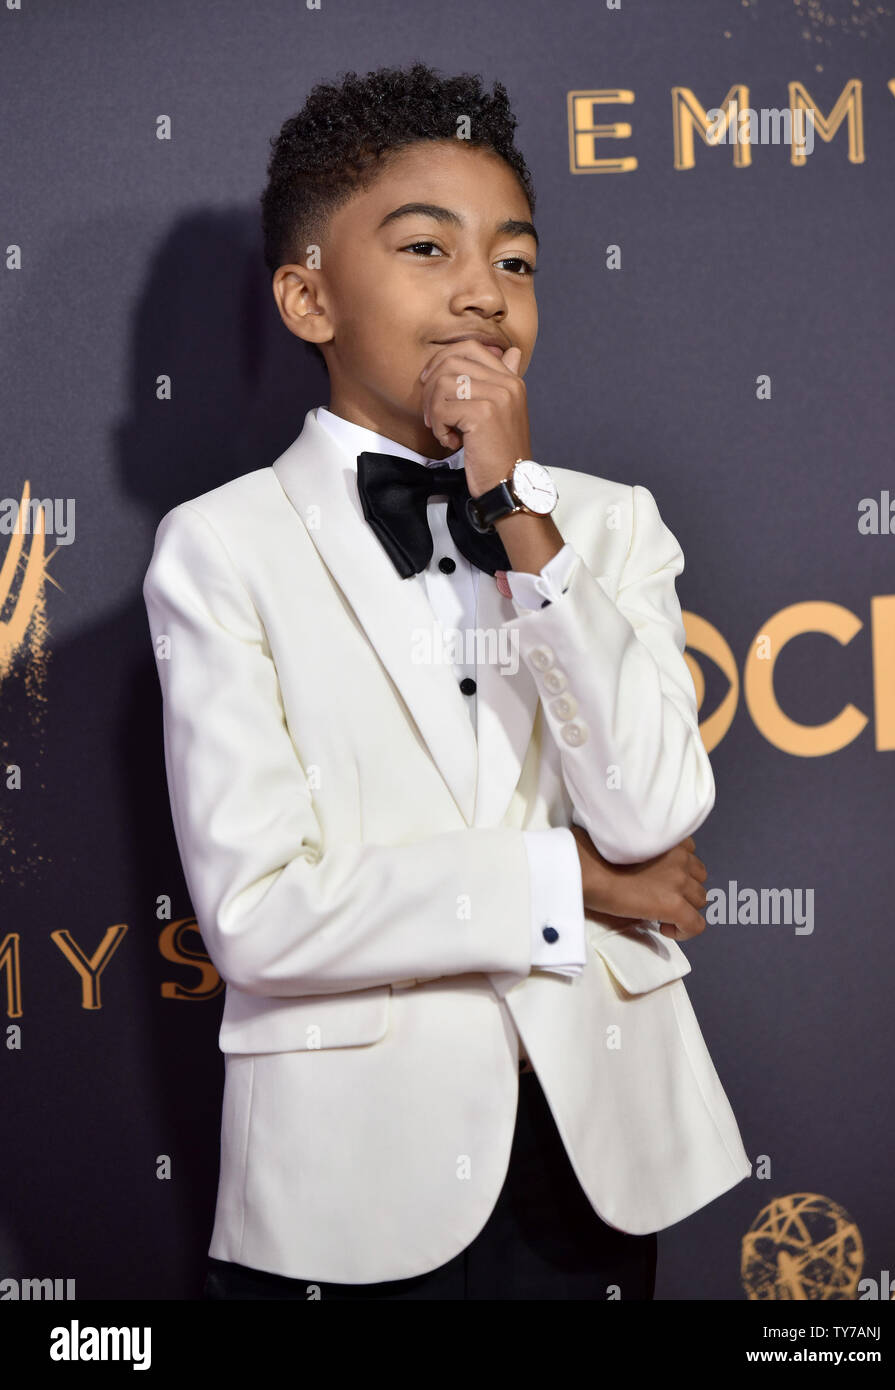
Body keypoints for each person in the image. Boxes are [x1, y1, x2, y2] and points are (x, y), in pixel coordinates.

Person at [142, 61, 751, 1301]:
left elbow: (648, 811)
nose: (485, 293)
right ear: (310, 298)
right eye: (427, 249)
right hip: (352, 1187)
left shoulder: (609, 522)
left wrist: (521, 518)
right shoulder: (222, 548)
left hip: (597, 1162)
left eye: (517, 263)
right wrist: (568, 878)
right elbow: (260, 910)